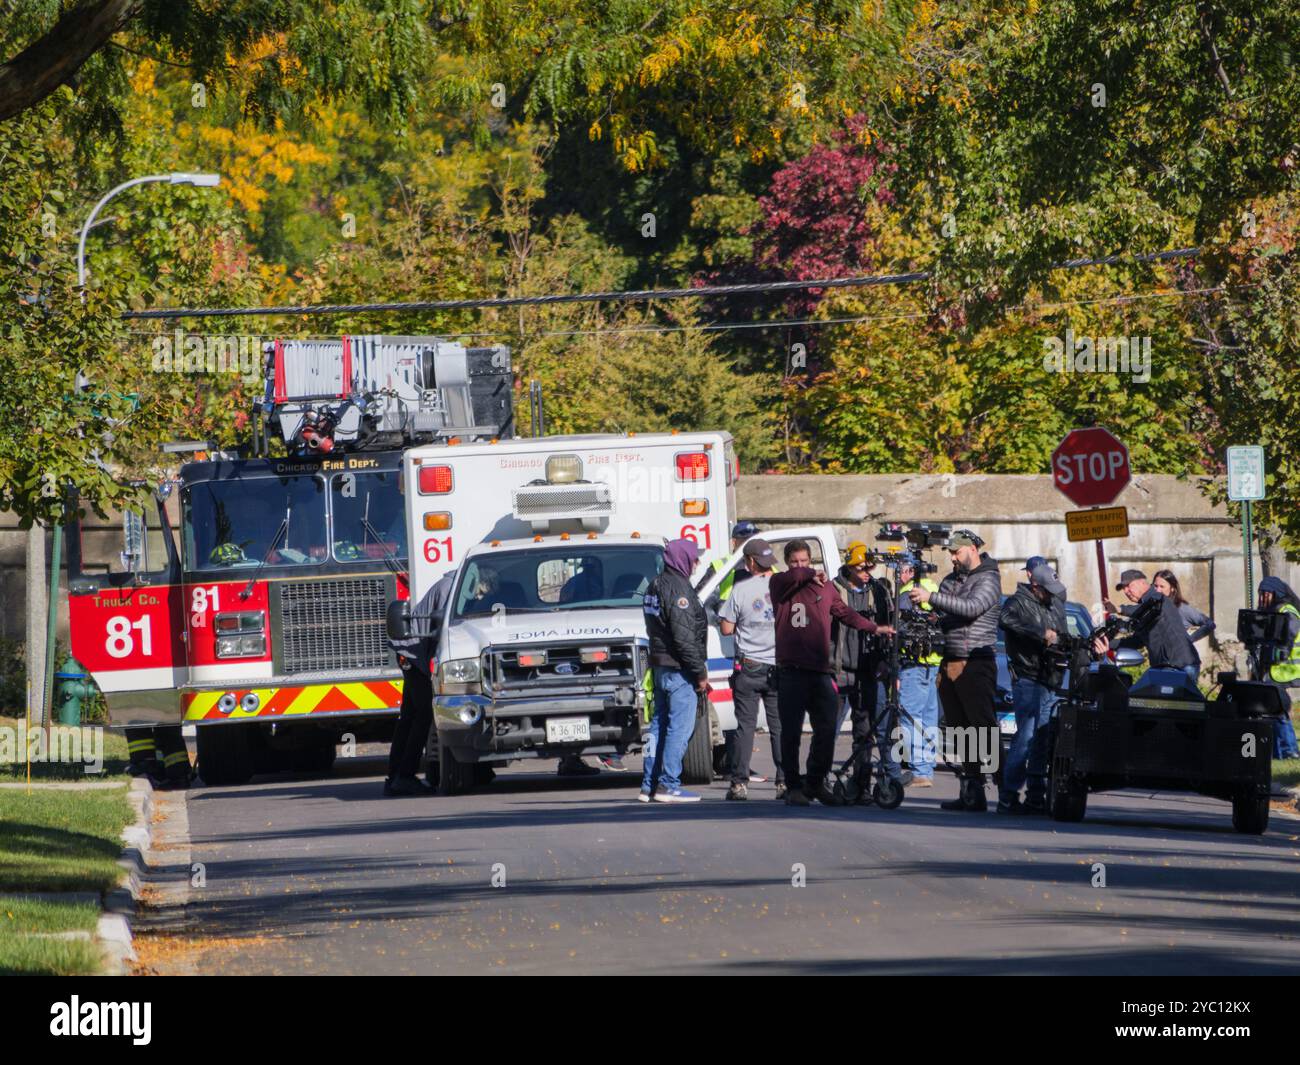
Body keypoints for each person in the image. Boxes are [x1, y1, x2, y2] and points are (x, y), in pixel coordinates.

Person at [771, 539, 893, 806]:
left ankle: (815, 783)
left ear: (811, 561)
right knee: (790, 733)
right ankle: (793, 786)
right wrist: (808, 573)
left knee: (826, 729)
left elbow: (845, 613)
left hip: (819, 671)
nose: (800, 566)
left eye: (805, 561)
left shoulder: (824, 587)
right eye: (795, 562)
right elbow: (793, 576)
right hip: (790, 671)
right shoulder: (779, 583)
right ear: (787, 563)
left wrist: (875, 628)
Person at [909, 529, 1002, 813]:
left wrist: (932, 597)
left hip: (976, 661)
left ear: (972, 549)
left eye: (956, 552)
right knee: (961, 729)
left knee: (984, 728)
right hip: (949, 659)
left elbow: (972, 608)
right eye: (950, 553)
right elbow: (947, 611)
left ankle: (1007, 789)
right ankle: (972, 792)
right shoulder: (952, 579)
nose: (952, 558)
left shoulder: (989, 579)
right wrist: (931, 616)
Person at [641, 538, 710, 803]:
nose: (696, 563)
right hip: (678, 669)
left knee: (658, 726)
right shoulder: (678, 589)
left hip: (660, 667)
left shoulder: (654, 585)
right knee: (679, 729)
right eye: (693, 558)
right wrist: (700, 673)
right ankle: (668, 784)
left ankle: (649, 784)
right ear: (682, 559)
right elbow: (683, 638)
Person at [996, 562, 1068, 814]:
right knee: (1026, 737)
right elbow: (1005, 620)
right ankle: (1008, 794)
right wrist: (1041, 633)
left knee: (1042, 737)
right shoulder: (1017, 601)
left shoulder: (1054, 603)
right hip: (1027, 678)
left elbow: (1063, 634)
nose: (1052, 593)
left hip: (1050, 678)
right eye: (1047, 588)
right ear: (1035, 585)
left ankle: (1036, 794)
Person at [831, 544, 903, 787]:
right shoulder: (833, 589)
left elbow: (887, 628)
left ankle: (861, 783)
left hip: (868, 671)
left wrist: (885, 661)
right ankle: (818, 779)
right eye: (861, 568)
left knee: (864, 732)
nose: (866, 572)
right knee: (828, 729)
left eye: (870, 567)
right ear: (849, 566)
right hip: (838, 670)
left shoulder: (879, 591)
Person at [718, 538, 784, 800]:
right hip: (777, 666)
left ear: (750, 562)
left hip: (749, 666)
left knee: (745, 726)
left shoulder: (741, 590)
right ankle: (784, 782)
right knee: (779, 726)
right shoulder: (783, 589)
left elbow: (726, 628)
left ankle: (739, 784)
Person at [385, 567, 457, 796]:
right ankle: (404, 776)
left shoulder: (450, 584)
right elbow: (443, 631)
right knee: (423, 714)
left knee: (409, 716)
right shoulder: (450, 588)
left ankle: (395, 776)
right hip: (415, 655)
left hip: (412, 653)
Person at [1095, 569, 1199, 681]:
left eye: (1128, 586)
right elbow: (1137, 641)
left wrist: (1119, 609)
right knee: (1139, 694)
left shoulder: (1157, 598)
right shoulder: (1146, 613)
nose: (1126, 591)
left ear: (1142, 583)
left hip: (1181, 665)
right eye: (1123, 588)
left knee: (1149, 696)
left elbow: (1144, 608)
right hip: (1164, 667)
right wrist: (1105, 644)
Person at [896, 559, 941, 788]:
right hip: (933, 663)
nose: (899, 575)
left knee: (910, 716)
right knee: (928, 718)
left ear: (910, 571)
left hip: (914, 663)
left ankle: (920, 770)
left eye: (901, 570)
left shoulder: (908, 592)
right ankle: (927, 768)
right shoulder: (933, 588)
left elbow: (901, 628)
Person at [1256, 577, 1300, 759]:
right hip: (1277, 669)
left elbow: (1289, 636)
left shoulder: (1286, 611)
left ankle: (1289, 750)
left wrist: (1276, 652)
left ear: (1272, 593)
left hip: (1285, 668)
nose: (1261, 599)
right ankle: (1279, 751)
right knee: (1273, 707)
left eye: (1263, 594)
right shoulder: (1275, 611)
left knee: (1277, 707)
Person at [1153, 569, 1216, 645]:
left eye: (1162, 586)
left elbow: (1210, 624)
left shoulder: (1181, 608)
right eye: (1155, 586)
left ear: (1172, 588)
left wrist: (1189, 640)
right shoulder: (1153, 608)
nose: (1157, 590)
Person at [700, 521, 759, 601]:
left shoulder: (764, 563)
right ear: (734, 543)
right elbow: (700, 594)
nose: (751, 544)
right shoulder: (720, 565)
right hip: (728, 611)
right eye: (746, 540)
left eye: (754, 540)